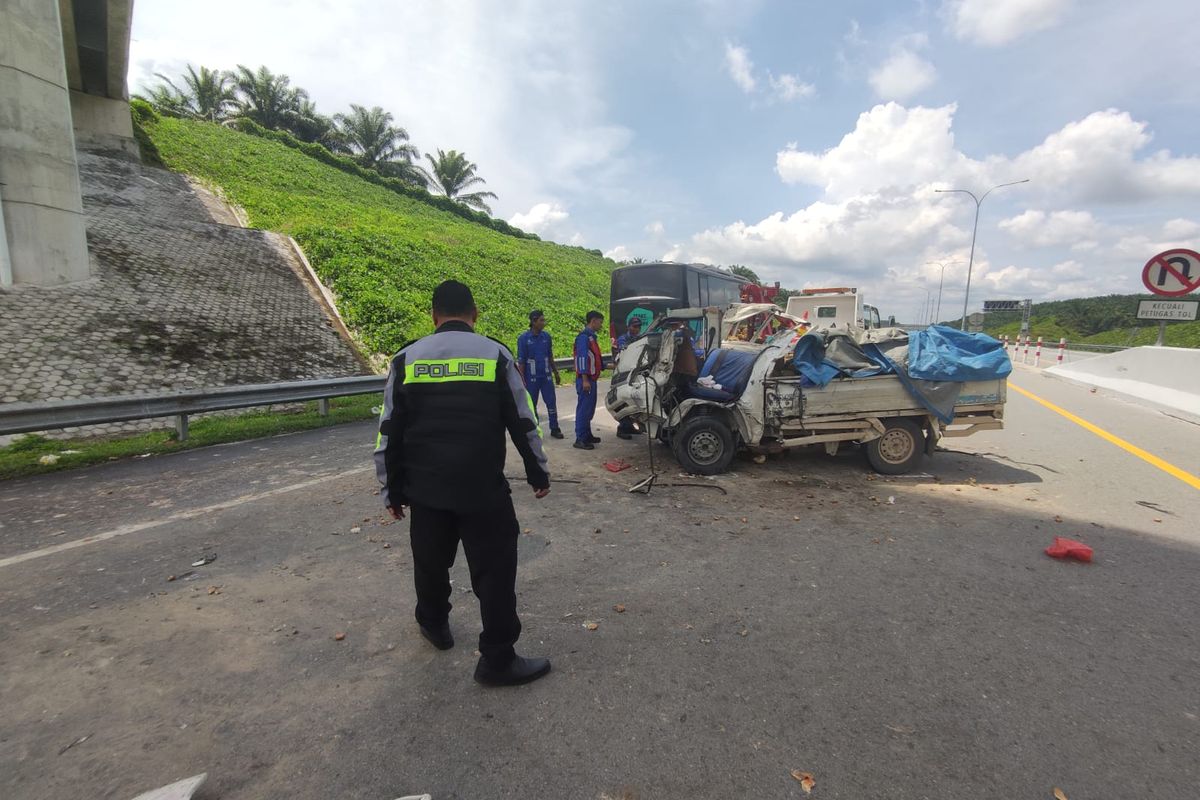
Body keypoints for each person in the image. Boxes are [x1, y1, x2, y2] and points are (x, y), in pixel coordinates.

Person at [374, 280, 552, 687]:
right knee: (494, 573)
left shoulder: (406, 359)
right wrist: (537, 472)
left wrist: (392, 489)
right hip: (482, 493)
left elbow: (389, 431)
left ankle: (435, 626)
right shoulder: (496, 355)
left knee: (430, 565)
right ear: (474, 314)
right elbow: (525, 423)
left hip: (427, 493)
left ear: (434, 316)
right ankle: (497, 660)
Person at [516, 310, 564, 439]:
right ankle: (534, 429)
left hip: (546, 376)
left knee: (551, 402)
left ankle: (555, 428)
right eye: (541, 320)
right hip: (531, 378)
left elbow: (550, 356)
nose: (544, 322)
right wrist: (521, 379)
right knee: (532, 404)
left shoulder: (546, 337)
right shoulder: (523, 339)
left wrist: (556, 372)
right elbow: (521, 362)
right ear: (533, 321)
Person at [572, 310, 604, 450]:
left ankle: (587, 435)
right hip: (586, 380)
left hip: (592, 379)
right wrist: (585, 380)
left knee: (589, 409)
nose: (601, 325)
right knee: (584, 409)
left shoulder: (592, 337)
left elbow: (594, 358)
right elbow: (582, 358)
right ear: (593, 321)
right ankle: (580, 439)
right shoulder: (583, 338)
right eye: (600, 322)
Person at [613, 316, 643, 440]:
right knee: (624, 400)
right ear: (629, 327)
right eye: (634, 326)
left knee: (633, 400)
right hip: (622, 373)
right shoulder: (623, 339)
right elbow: (625, 353)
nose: (637, 329)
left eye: (638, 327)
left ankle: (630, 426)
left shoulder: (639, 338)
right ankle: (622, 428)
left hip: (634, 373)